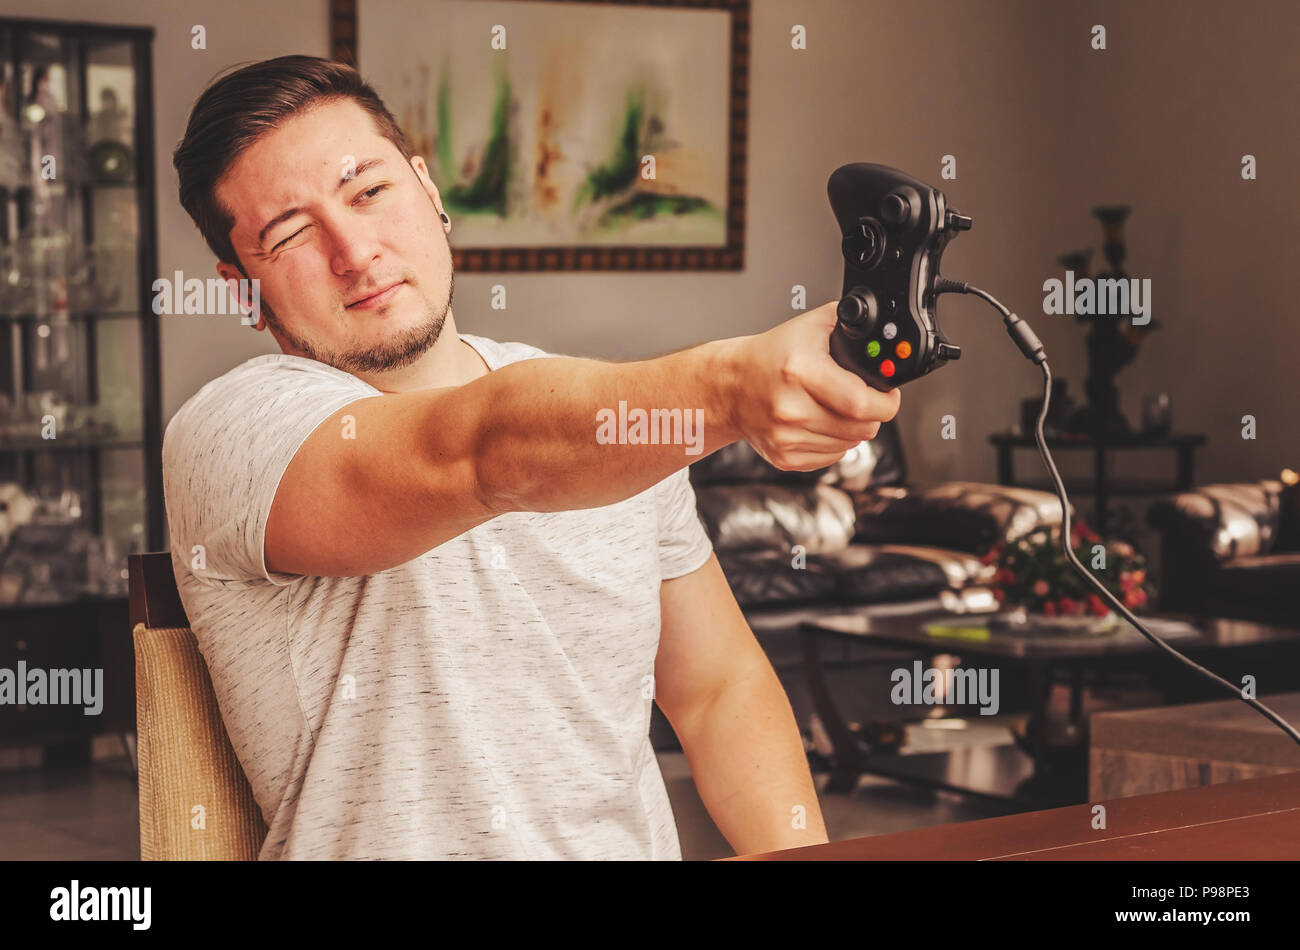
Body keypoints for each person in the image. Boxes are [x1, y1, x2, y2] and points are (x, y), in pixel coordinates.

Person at [164, 54, 899, 860]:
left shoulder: (595, 420)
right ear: (243, 291)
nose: (354, 249)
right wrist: (729, 387)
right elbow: (482, 455)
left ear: (429, 190)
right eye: (293, 234)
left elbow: (717, 689)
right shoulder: (233, 428)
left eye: (370, 192)